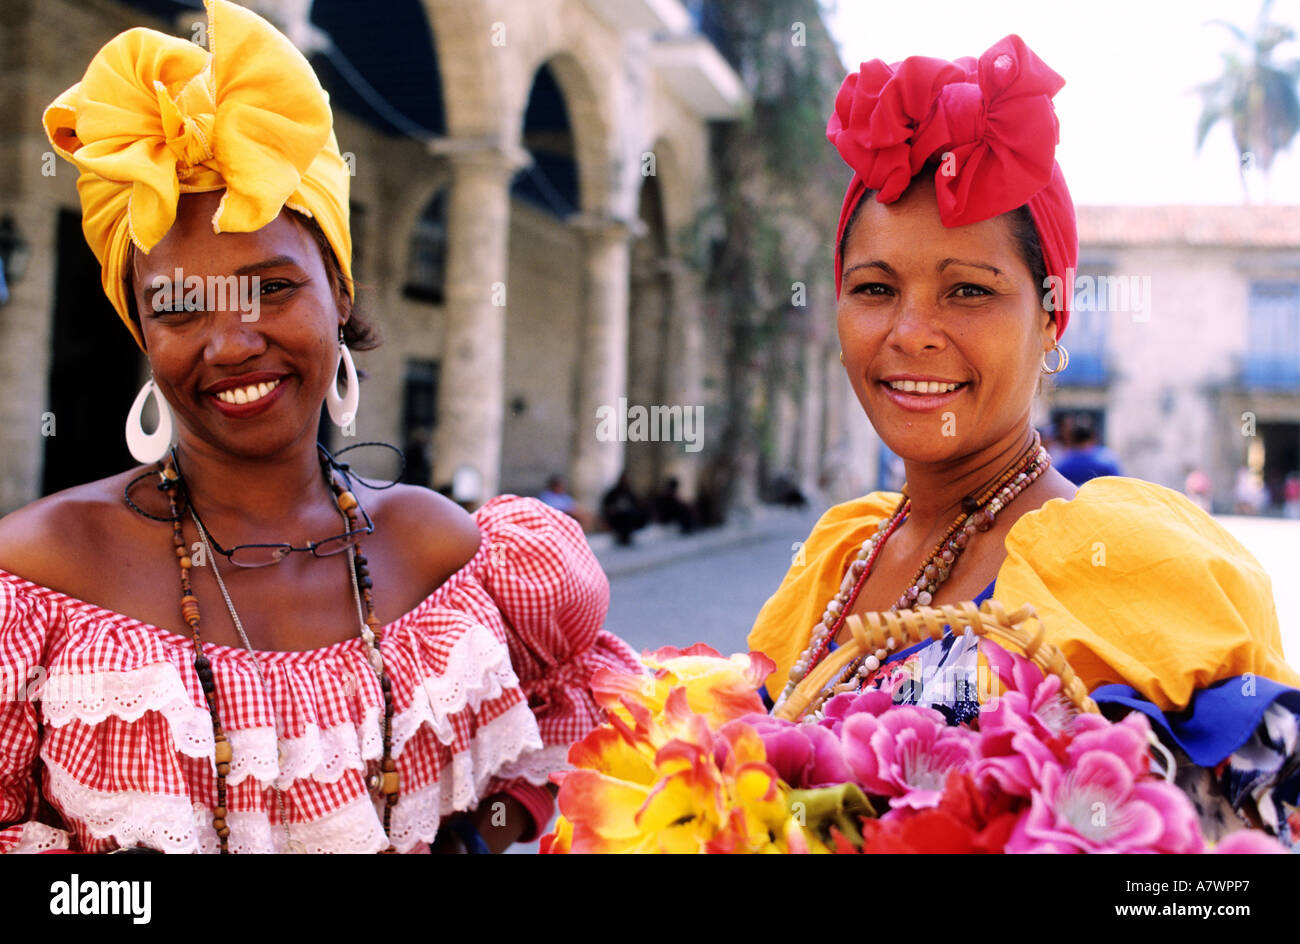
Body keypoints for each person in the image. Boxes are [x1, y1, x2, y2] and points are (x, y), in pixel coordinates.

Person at [0, 0, 638, 854]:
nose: (231, 340)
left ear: (339, 293)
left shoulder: (448, 560)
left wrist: (473, 833)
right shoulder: (41, 579)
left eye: (271, 286)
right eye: (180, 304)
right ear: (141, 331)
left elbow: (586, 739)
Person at [749, 36, 1300, 847]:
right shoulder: (838, 559)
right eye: (874, 289)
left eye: (969, 290)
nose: (909, 333)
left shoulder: (1142, 572)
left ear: (1051, 317)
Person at [1053, 417, 1122, 485]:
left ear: (1073, 438)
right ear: (1094, 437)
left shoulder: (1063, 462)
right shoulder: (1108, 459)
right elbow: (1120, 484)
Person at [600, 472, 649, 546]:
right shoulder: (613, 493)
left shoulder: (629, 492)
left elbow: (637, 504)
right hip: (617, 519)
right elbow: (606, 507)